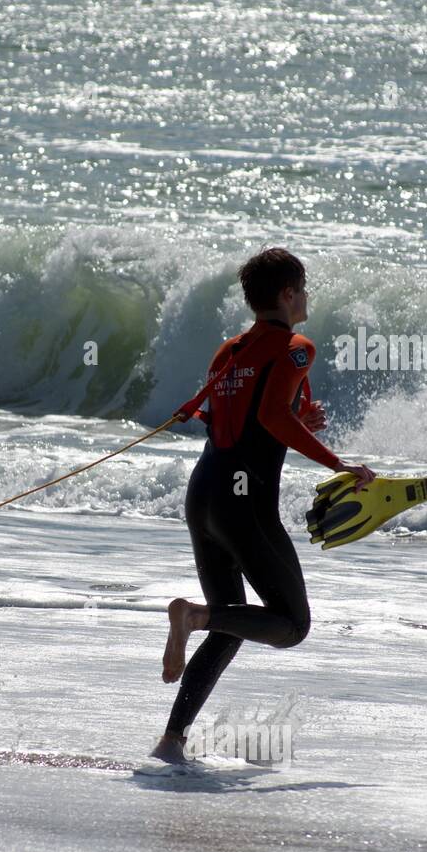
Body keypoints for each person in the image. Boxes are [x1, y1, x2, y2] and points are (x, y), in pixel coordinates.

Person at [154, 248, 375, 764]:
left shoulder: (227, 350)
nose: (307, 297)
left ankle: (171, 741)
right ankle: (191, 617)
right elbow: (272, 418)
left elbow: (233, 421)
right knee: (291, 625)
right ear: (286, 294)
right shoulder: (297, 348)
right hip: (243, 502)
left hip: (204, 495)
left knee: (231, 621)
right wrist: (338, 465)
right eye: (303, 287)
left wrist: (299, 415)